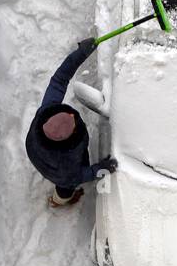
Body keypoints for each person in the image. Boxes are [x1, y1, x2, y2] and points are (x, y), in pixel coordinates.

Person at [26, 38, 116, 207]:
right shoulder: (67, 167)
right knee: (66, 187)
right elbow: (83, 175)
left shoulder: (47, 112)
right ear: (70, 137)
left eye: (69, 115)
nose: (73, 115)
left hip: (35, 152)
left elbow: (60, 79)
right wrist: (103, 168)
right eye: (73, 122)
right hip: (58, 173)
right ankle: (60, 200)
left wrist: (81, 53)